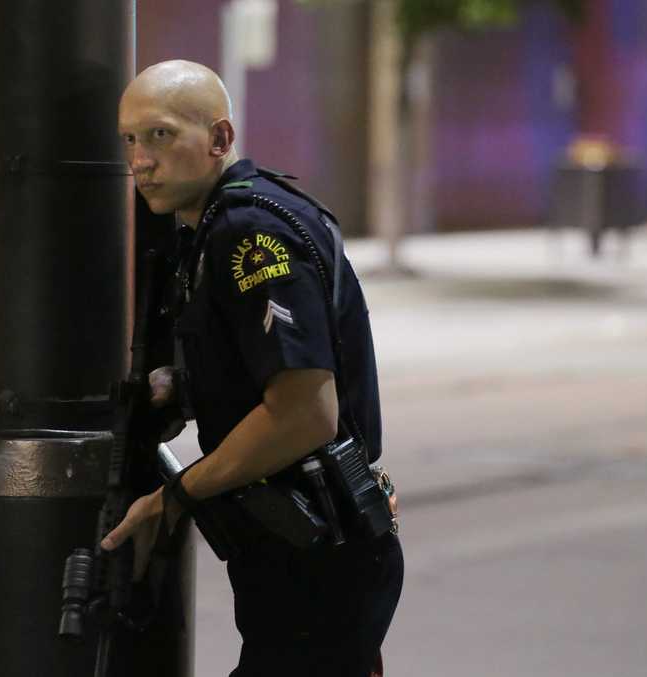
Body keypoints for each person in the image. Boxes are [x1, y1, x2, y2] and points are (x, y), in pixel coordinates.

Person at [102, 59, 403, 677]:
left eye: (160, 135)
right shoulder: (230, 220)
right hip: (307, 552)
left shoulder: (247, 233)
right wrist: (183, 384)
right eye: (130, 139)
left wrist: (175, 496)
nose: (141, 160)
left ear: (220, 139)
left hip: (317, 556)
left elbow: (304, 414)